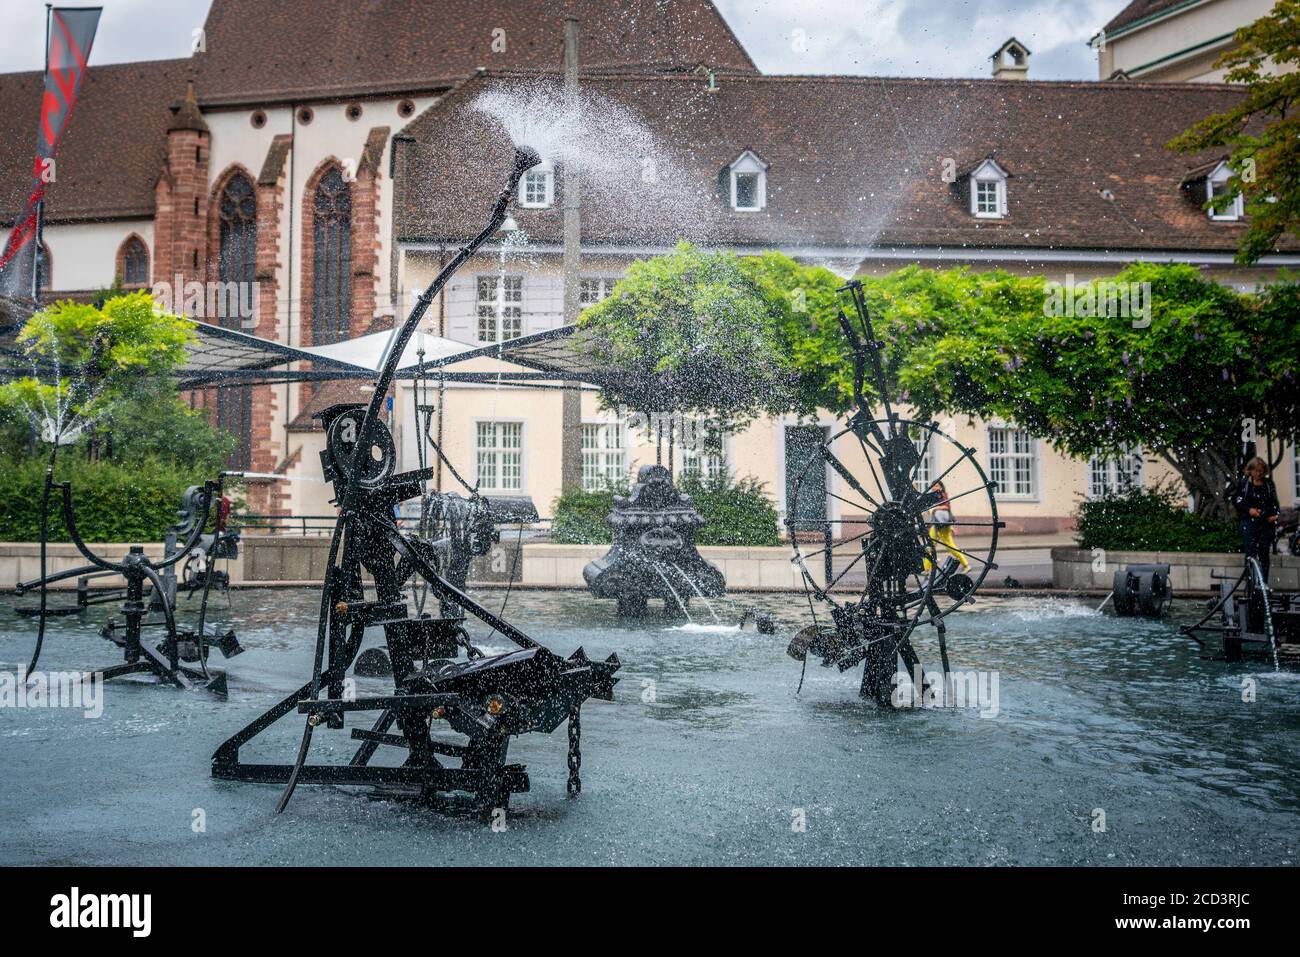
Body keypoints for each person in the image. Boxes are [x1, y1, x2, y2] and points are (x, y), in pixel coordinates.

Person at [1232, 457, 1280, 580]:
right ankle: (1251, 584)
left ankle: (1263, 583)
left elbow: (1274, 503)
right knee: (1251, 554)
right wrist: (1250, 510)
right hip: (1249, 523)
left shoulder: (1268, 484)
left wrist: (1274, 515)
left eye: (1261, 471)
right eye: (1256, 471)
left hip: (1265, 524)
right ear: (1251, 470)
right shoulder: (1244, 483)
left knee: (1264, 554)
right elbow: (1238, 501)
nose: (1259, 474)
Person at [923, 479, 969, 571]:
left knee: (950, 546)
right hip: (936, 525)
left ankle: (966, 564)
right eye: (933, 486)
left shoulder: (943, 495)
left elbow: (947, 507)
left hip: (943, 526)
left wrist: (935, 508)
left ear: (940, 486)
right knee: (930, 546)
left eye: (936, 486)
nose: (934, 488)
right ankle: (926, 568)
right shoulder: (935, 496)